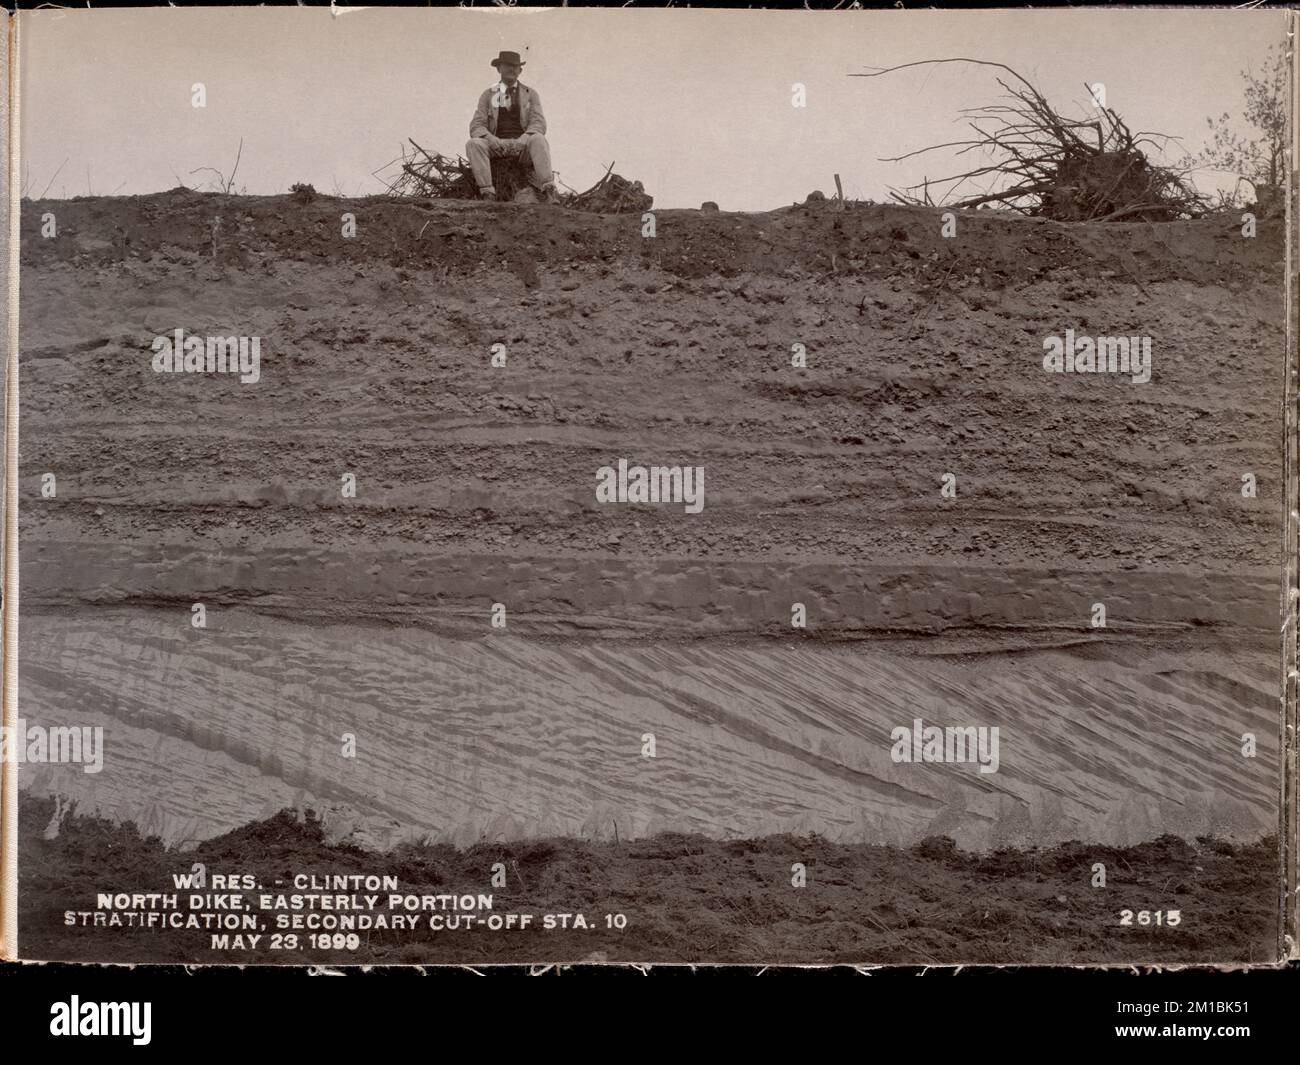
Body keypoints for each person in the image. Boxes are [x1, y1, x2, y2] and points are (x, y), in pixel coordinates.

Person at [466, 50, 559, 203]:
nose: (511, 69)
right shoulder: (488, 95)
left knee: (538, 139)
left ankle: (549, 190)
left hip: (522, 147)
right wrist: (491, 139)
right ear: (498, 69)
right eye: (507, 65)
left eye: (515, 66)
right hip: (496, 146)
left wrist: (524, 138)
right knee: (474, 144)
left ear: (520, 70)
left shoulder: (531, 94)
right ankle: (488, 193)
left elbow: (539, 122)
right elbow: (476, 125)